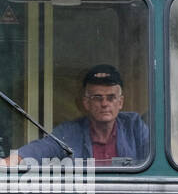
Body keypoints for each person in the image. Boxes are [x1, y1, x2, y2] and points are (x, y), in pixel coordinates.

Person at [18, 64, 149, 163]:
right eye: (97, 98)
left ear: (120, 102)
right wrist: (1, 165)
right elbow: (38, 150)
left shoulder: (134, 126)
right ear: (86, 103)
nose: (104, 104)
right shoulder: (70, 132)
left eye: (111, 98)